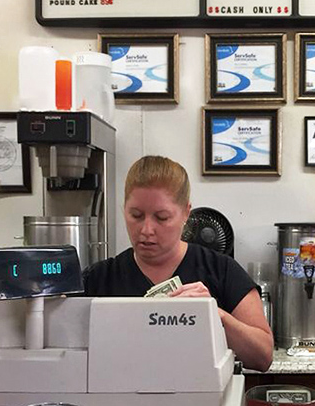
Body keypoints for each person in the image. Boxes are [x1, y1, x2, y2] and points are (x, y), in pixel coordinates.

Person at [84, 155, 273, 371]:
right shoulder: (98, 279)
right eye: (136, 215)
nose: (146, 230)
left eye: (161, 217)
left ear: (186, 213)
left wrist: (214, 315)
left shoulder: (221, 270)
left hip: (202, 402)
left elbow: (263, 356)